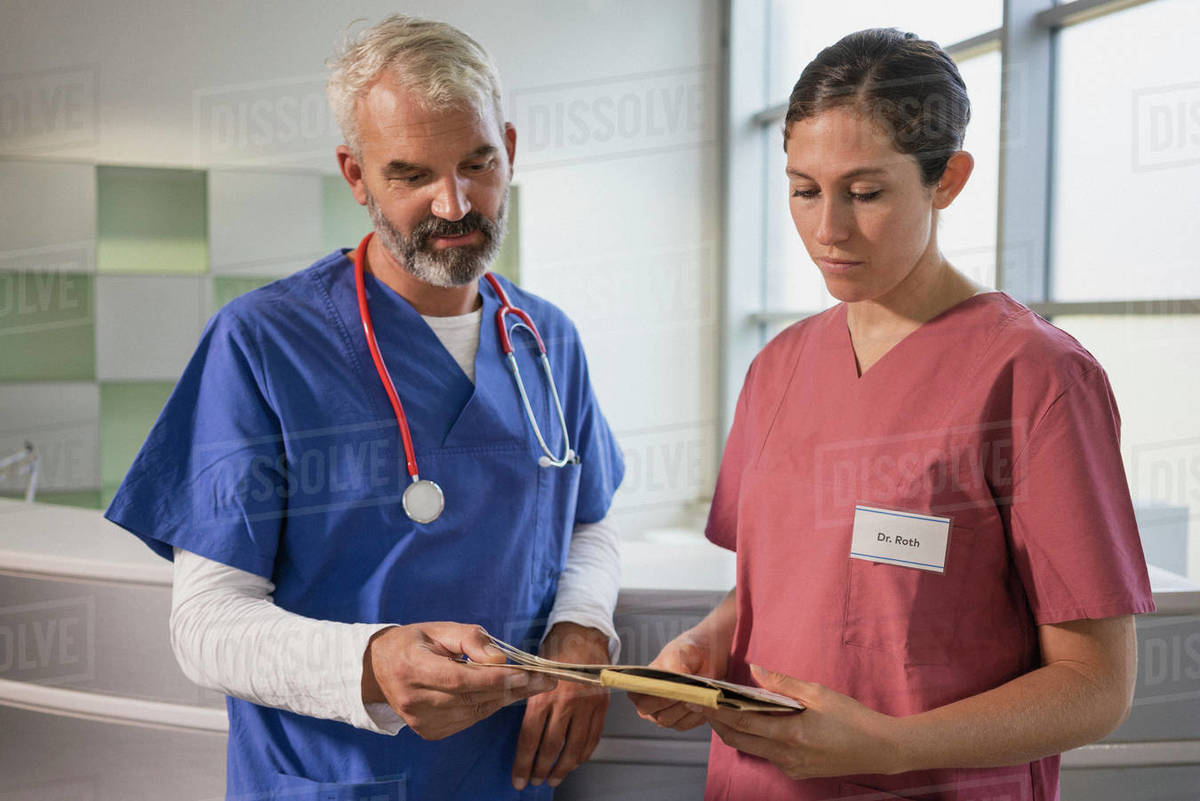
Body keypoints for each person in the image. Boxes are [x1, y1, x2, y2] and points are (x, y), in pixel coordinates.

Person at [104, 15, 625, 800]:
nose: (455, 203)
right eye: (413, 175)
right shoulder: (262, 343)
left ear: (509, 150)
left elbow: (588, 520)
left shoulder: (546, 340)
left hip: (505, 775)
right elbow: (206, 625)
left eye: (478, 164)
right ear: (356, 175)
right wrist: (373, 663)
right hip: (334, 776)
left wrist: (582, 628)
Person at [632, 28, 1154, 800]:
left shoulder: (1038, 378)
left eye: (866, 192)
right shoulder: (777, 367)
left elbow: (1096, 685)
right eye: (804, 189)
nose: (828, 230)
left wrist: (892, 744)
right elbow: (775, 585)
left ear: (948, 180)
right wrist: (705, 649)